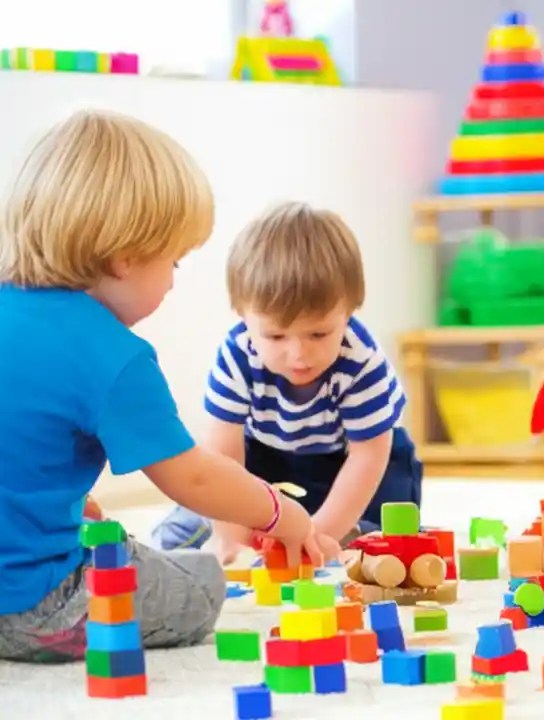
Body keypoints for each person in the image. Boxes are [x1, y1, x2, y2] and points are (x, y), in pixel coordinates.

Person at [0, 110, 337, 662]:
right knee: (198, 585)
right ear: (124, 259)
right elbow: (194, 478)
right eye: (174, 261)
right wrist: (281, 512)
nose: (175, 281)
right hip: (39, 607)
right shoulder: (115, 356)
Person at [152, 202, 422, 562]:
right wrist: (229, 536)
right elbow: (224, 452)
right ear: (243, 315)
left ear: (350, 310)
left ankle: (350, 534)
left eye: (319, 333)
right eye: (277, 337)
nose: (299, 355)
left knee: (386, 544)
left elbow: (367, 457)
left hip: (354, 466)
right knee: (188, 528)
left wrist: (318, 535)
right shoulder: (237, 355)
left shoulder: (361, 362)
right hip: (267, 462)